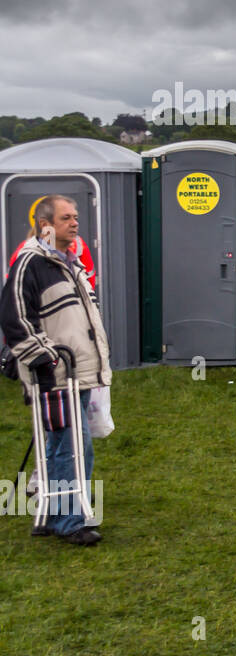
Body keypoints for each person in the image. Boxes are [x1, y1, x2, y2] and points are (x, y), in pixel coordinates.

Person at [1, 194, 112, 545]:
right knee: (73, 445)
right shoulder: (30, 263)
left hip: (75, 372)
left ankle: (53, 513)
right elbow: (15, 320)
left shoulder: (69, 261)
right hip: (55, 375)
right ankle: (71, 521)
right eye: (67, 218)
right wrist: (46, 359)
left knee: (61, 444)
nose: (76, 222)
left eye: (76, 216)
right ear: (46, 225)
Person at [8, 196, 96, 290]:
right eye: (65, 218)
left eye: (75, 218)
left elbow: (89, 281)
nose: (74, 223)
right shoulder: (26, 252)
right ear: (44, 223)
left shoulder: (24, 248)